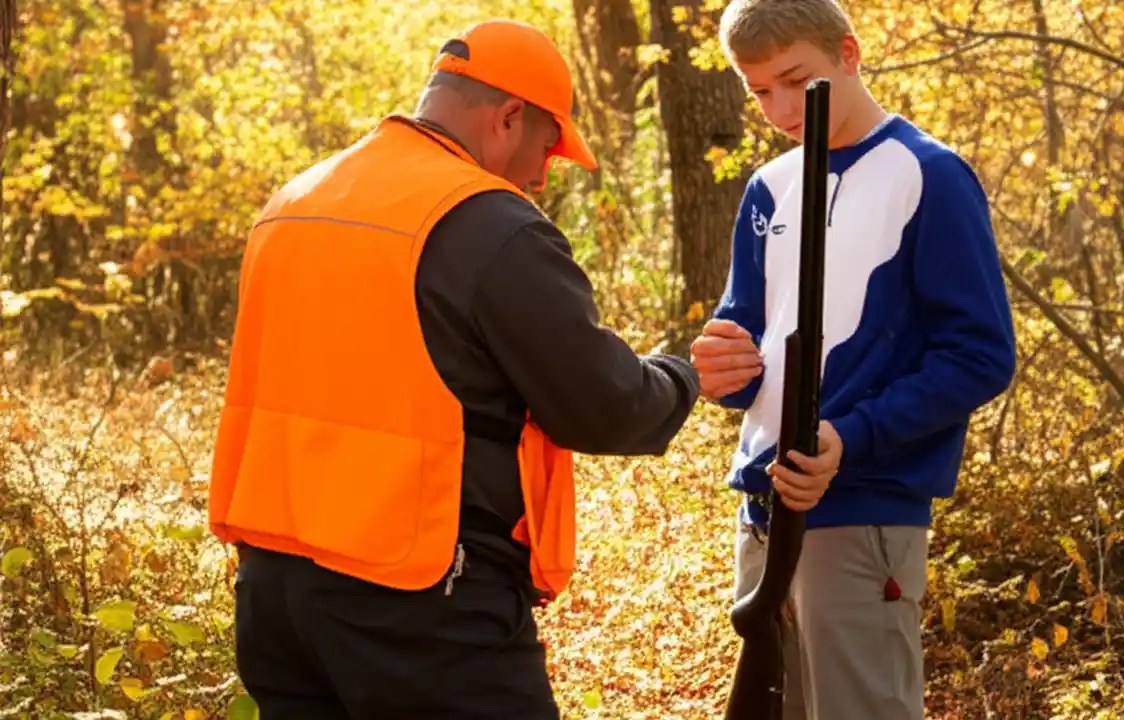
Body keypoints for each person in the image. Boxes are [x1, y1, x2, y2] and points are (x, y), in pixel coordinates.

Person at [206, 19, 700, 720]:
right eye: (545, 148)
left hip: (273, 597)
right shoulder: (490, 222)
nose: (539, 175)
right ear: (508, 117)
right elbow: (606, 405)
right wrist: (685, 376)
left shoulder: (293, 203)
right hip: (419, 605)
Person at [691, 0, 1018, 717]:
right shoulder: (768, 188)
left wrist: (853, 436)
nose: (778, 107)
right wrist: (723, 368)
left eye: (794, 79)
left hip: (865, 508)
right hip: (762, 509)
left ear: (849, 52)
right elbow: (748, 332)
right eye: (758, 90)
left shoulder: (930, 174)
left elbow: (981, 354)